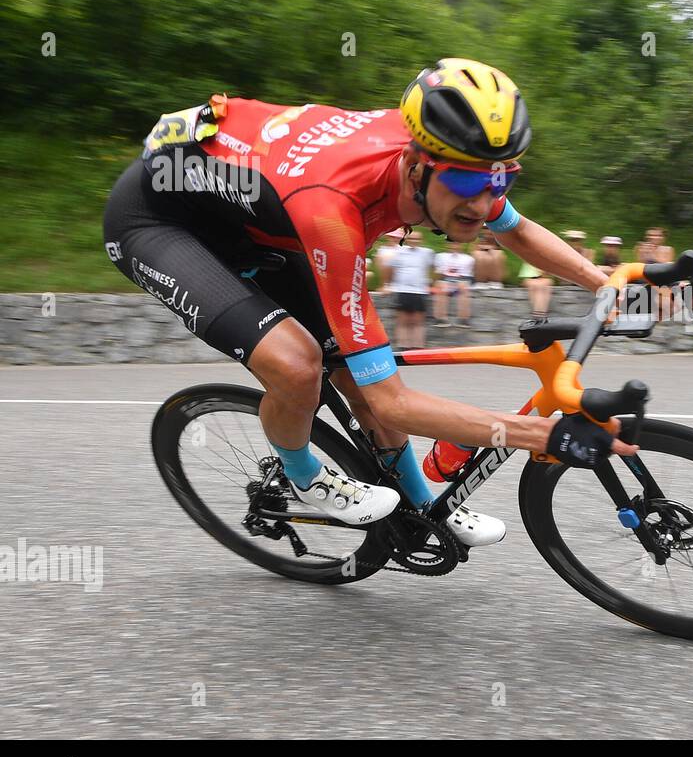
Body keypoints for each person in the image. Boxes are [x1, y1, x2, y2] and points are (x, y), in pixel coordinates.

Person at [103, 58, 637, 549]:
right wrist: (546, 435)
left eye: (499, 179)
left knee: (358, 376)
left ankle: (422, 505)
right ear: (415, 165)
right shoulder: (334, 208)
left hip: (254, 217)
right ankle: (303, 474)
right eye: (467, 181)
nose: (483, 201)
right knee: (299, 366)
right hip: (160, 223)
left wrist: (602, 281)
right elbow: (393, 405)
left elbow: (514, 229)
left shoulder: (450, 160)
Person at [380, 227, 435, 350]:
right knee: (402, 321)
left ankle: (418, 348)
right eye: (412, 239)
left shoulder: (427, 253)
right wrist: (387, 284)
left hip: (419, 291)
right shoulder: (399, 252)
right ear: (407, 240)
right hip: (402, 290)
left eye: (417, 239)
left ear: (421, 240)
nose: (414, 241)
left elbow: (434, 268)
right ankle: (403, 347)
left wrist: (431, 282)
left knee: (418, 321)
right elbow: (389, 268)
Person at [635, 227, 676, 320]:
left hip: (661, 278)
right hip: (646, 277)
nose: (653, 237)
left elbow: (666, 266)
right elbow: (640, 264)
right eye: (650, 235)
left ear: (662, 238)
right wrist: (644, 253)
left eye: (657, 235)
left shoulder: (667, 249)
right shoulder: (641, 248)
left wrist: (652, 254)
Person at [434, 241, 474, 326]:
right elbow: (438, 274)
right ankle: (441, 319)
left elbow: (466, 276)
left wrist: (456, 283)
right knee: (442, 287)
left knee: (464, 287)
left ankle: (463, 319)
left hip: (460, 280)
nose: (454, 246)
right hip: (445, 280)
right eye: (452, 243)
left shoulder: (468, 258)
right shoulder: (440, 256)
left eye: (457, 243)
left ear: (461, 245)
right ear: (447, 244)